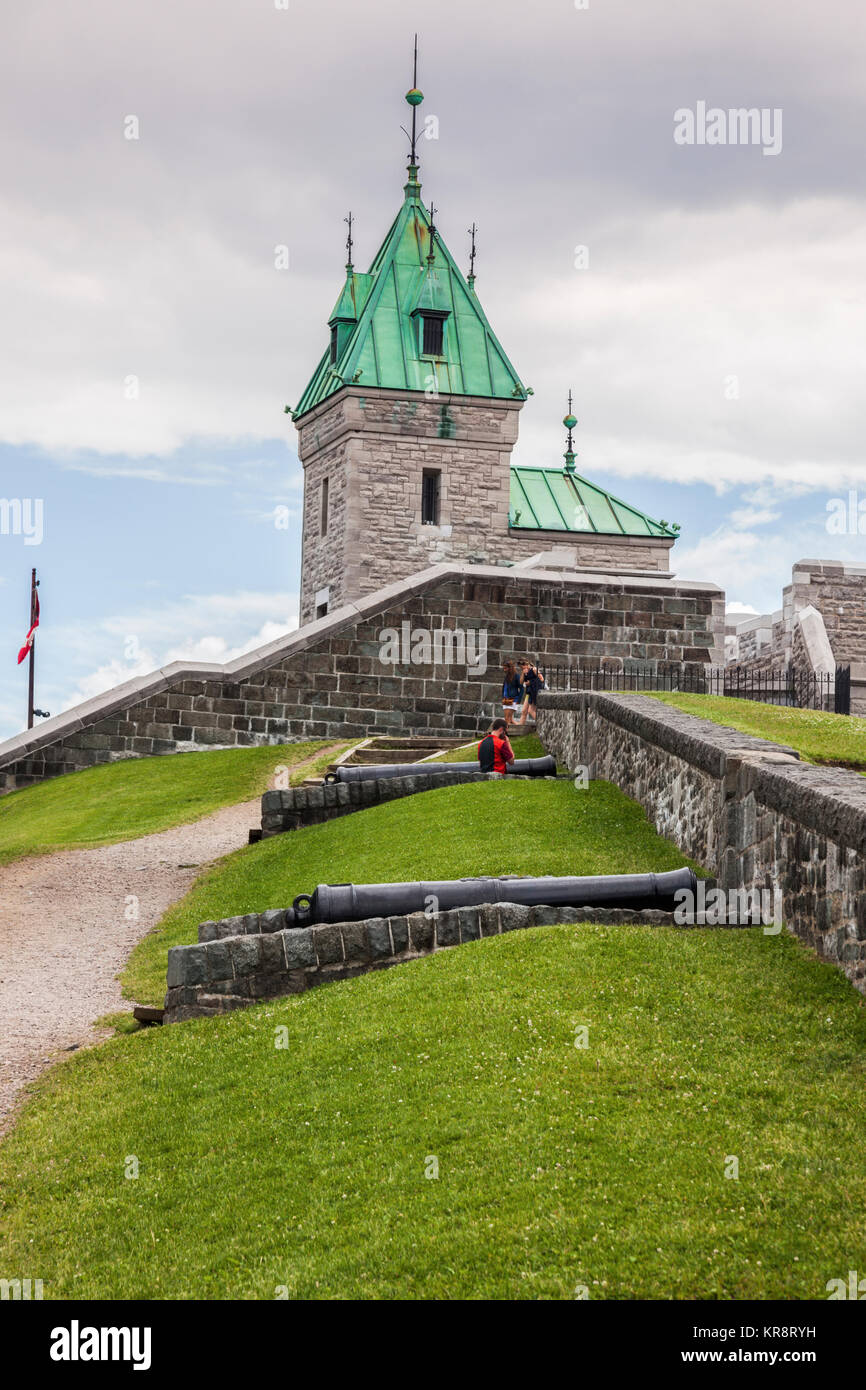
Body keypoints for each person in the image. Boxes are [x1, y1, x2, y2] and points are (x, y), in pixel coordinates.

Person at [516, 659, 545, 726]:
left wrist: (530, 682)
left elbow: (542, 679)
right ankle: (520, 726)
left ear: (526, 664)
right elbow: (520, 682)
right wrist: (523, 673)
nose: (522, 668)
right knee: (524, 711)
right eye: (521, 668)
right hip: (529, 692)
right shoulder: (525, 672)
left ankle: (541, 724)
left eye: (522, 667)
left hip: (534, 692)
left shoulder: (534, 669)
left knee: (531, 710)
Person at [500, 660, 522, 727]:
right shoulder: (507, 676)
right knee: (509, 719)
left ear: (510, 668)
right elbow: (504, 687)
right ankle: (518, 727)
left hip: (513, 699)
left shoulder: (516, 676)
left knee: (507, 719)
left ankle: (505, 734)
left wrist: (519, 700)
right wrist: (502, 697)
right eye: (503, 668)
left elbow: (522, 688)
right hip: (506, 699)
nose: (504, 670)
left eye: (505, 668)